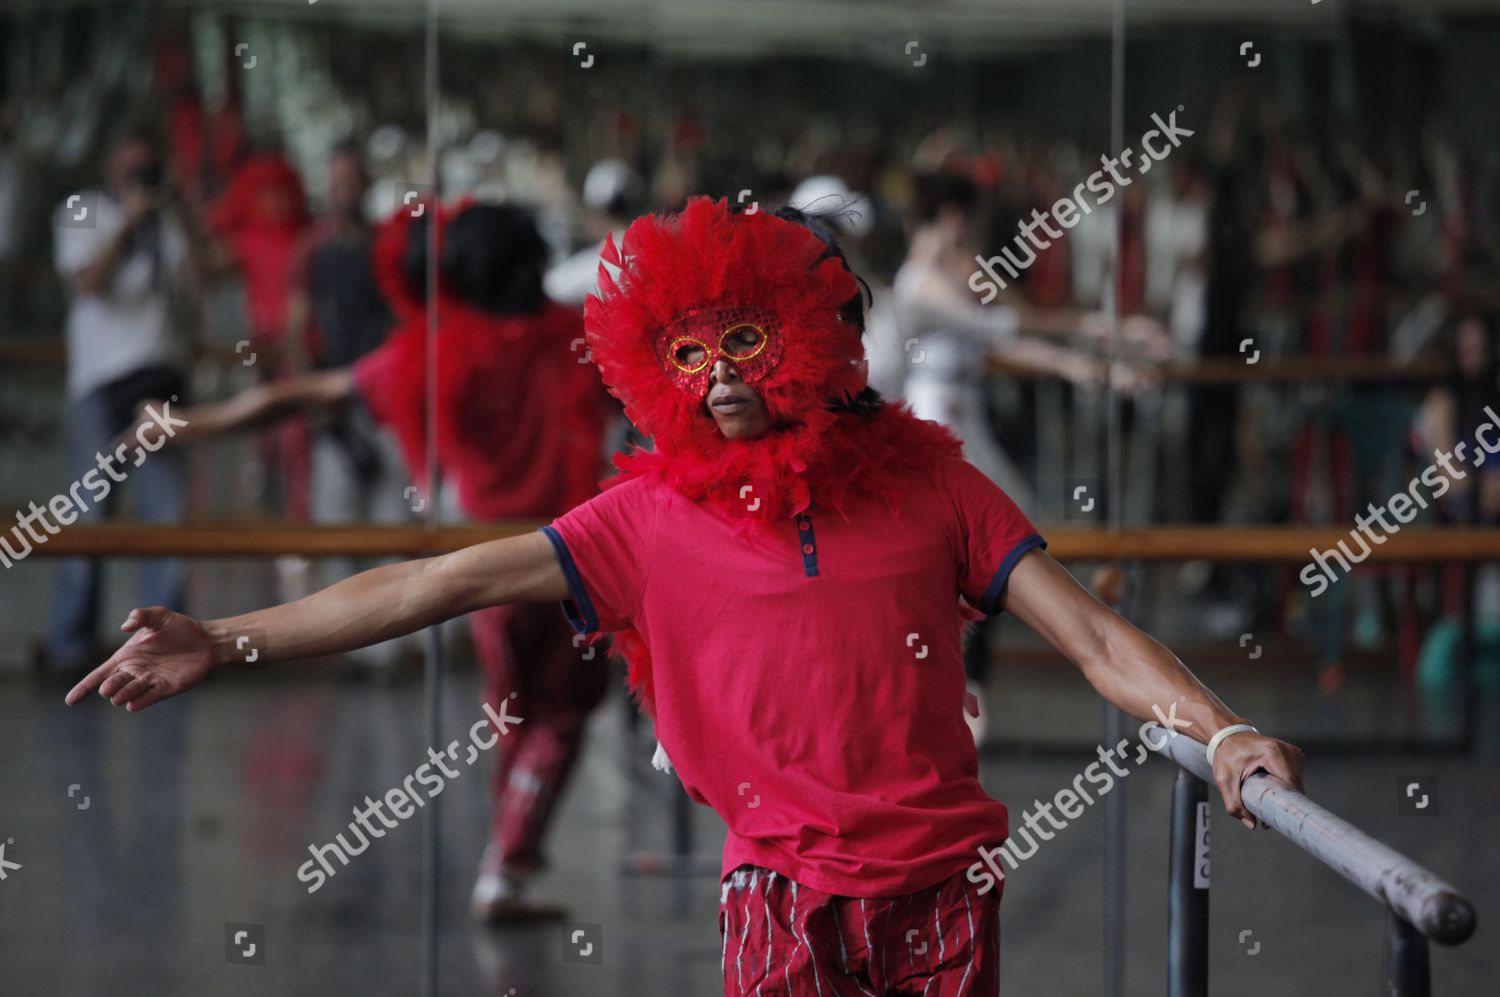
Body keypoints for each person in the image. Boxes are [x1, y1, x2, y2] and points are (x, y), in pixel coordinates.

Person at [68, 197, 1304, 995]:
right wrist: (223, 637)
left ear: (810, 342)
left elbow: (1089, 635)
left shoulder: (938, 487)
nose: (716, 376)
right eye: (687, 352)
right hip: (777, 896)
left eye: (747, 344)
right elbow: (438, 582)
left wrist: (1225, 731)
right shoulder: (647, 519)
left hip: (942, 894)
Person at [117, 201, 614, 921]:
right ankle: (509, 861)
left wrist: (188, 424)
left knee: (511, 711)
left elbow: (301, 393)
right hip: (573, 554)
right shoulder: (579, 339)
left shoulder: (436, 352)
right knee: (562, 714)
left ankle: (507, 860)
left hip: (483, 563)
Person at [44, 127, 192, 674]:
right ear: (111, 168)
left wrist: (182, 212)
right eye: (132, 171)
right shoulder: (80, 208)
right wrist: (130, 220)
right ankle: (70, 645)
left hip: (162, 377)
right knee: (90, 513)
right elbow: (86, 281)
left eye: (147, 171)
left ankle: (166, 643)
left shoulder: (166, 218)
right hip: (102, 381)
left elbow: (196, 276)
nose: (140, 182)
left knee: (168, 518)